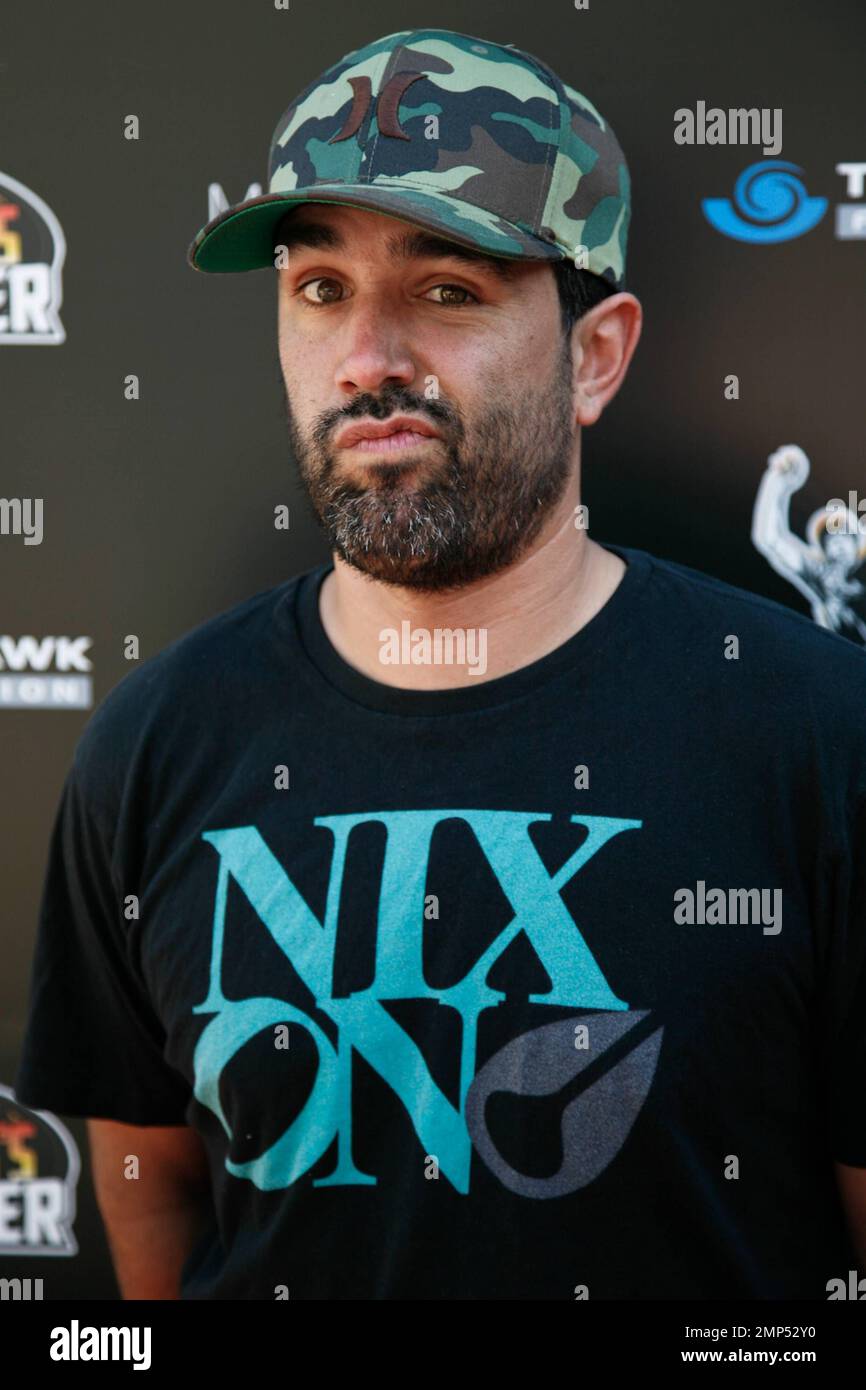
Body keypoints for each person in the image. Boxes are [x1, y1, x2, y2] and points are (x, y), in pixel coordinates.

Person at [14, 26, 866, 1301]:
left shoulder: (811, 732)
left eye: (448, 289)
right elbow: (155, 1200)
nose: (367, 360)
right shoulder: (157, 741)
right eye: (319, 289)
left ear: (595, 355)